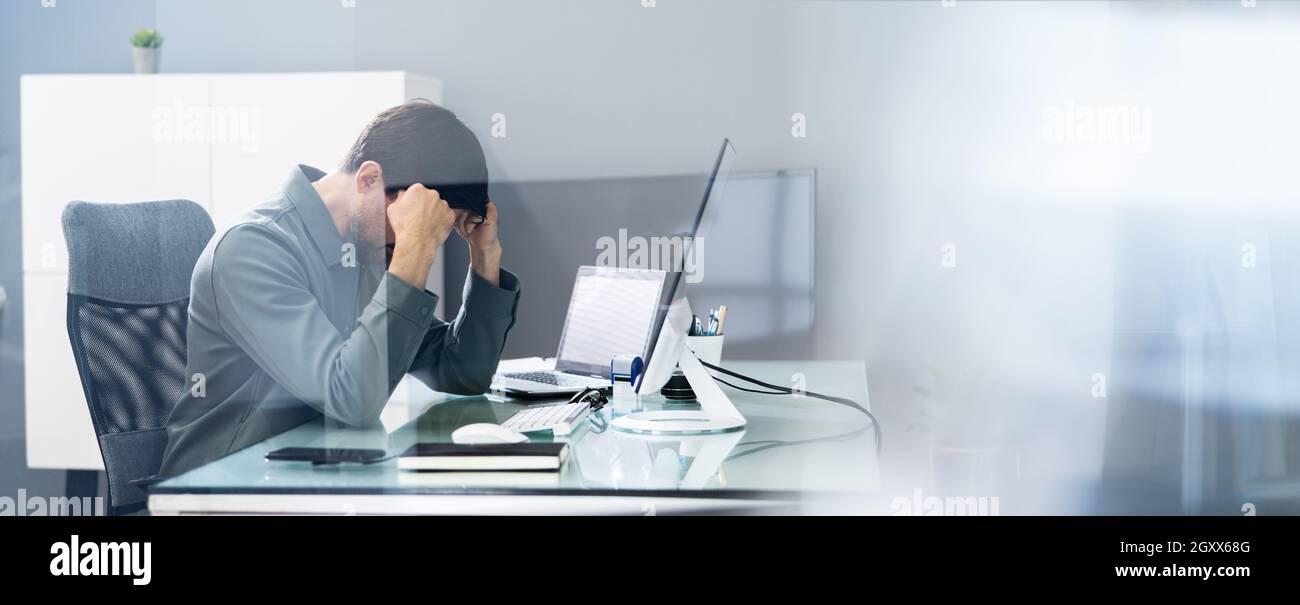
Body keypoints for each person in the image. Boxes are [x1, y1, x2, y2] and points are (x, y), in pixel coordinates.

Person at [159, 101, 519, 476]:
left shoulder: (367, 249)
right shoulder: (251, 249)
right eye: (419, 221)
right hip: (225, 487)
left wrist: (485, 255)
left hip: (322, 474)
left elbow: (463, 370)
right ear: (368, 179)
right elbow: (351, 401)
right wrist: (413, 252)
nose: (431, 240)